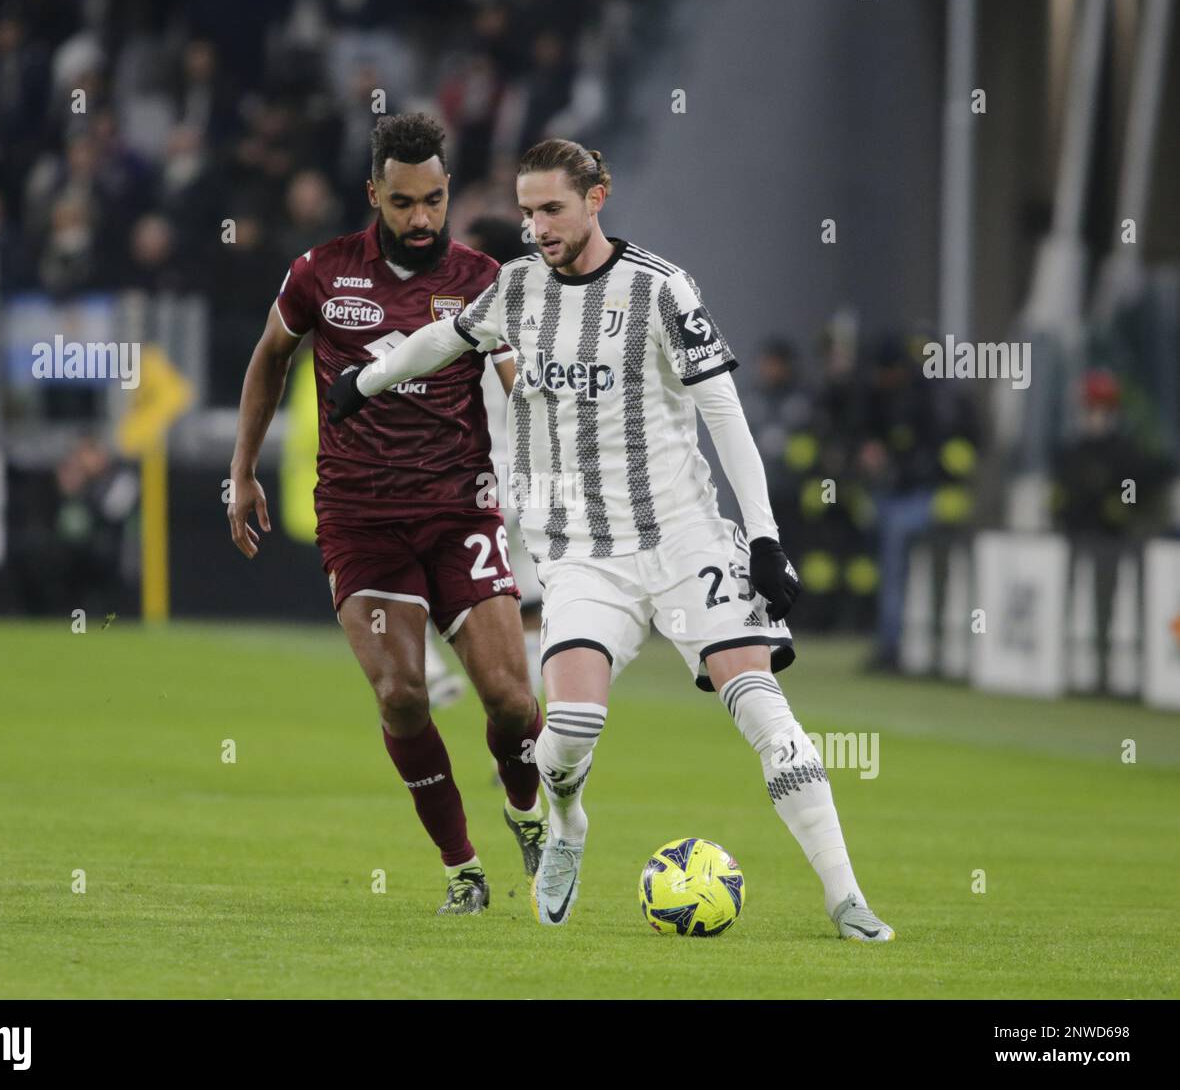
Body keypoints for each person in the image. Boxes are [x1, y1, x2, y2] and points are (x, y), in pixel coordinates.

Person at [327, 139, 894, 941]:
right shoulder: (516, 288)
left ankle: (845, 897)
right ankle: (567, 827)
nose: (537, 227)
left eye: (551, 208)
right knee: (565, 734)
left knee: (767, 714)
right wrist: (363, 381)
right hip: (583, 550)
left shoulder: (662, 290)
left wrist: (764, 538)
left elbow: (724, 415)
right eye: (526, 211)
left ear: (598, 198)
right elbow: (445, 340)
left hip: (685, 537)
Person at [227, 114, 545, 915]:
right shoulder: (320, 273)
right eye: (403, 203)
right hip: (361, 519)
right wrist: (242, 473)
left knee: (512, 702)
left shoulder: (480, 278)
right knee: (402, 692)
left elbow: (515, 379)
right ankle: (462, 869)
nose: (420, 220)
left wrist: (553, 428)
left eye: (434, 200)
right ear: (374, 193)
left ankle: (529, 815)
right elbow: (271, 354)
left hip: (462, 513)